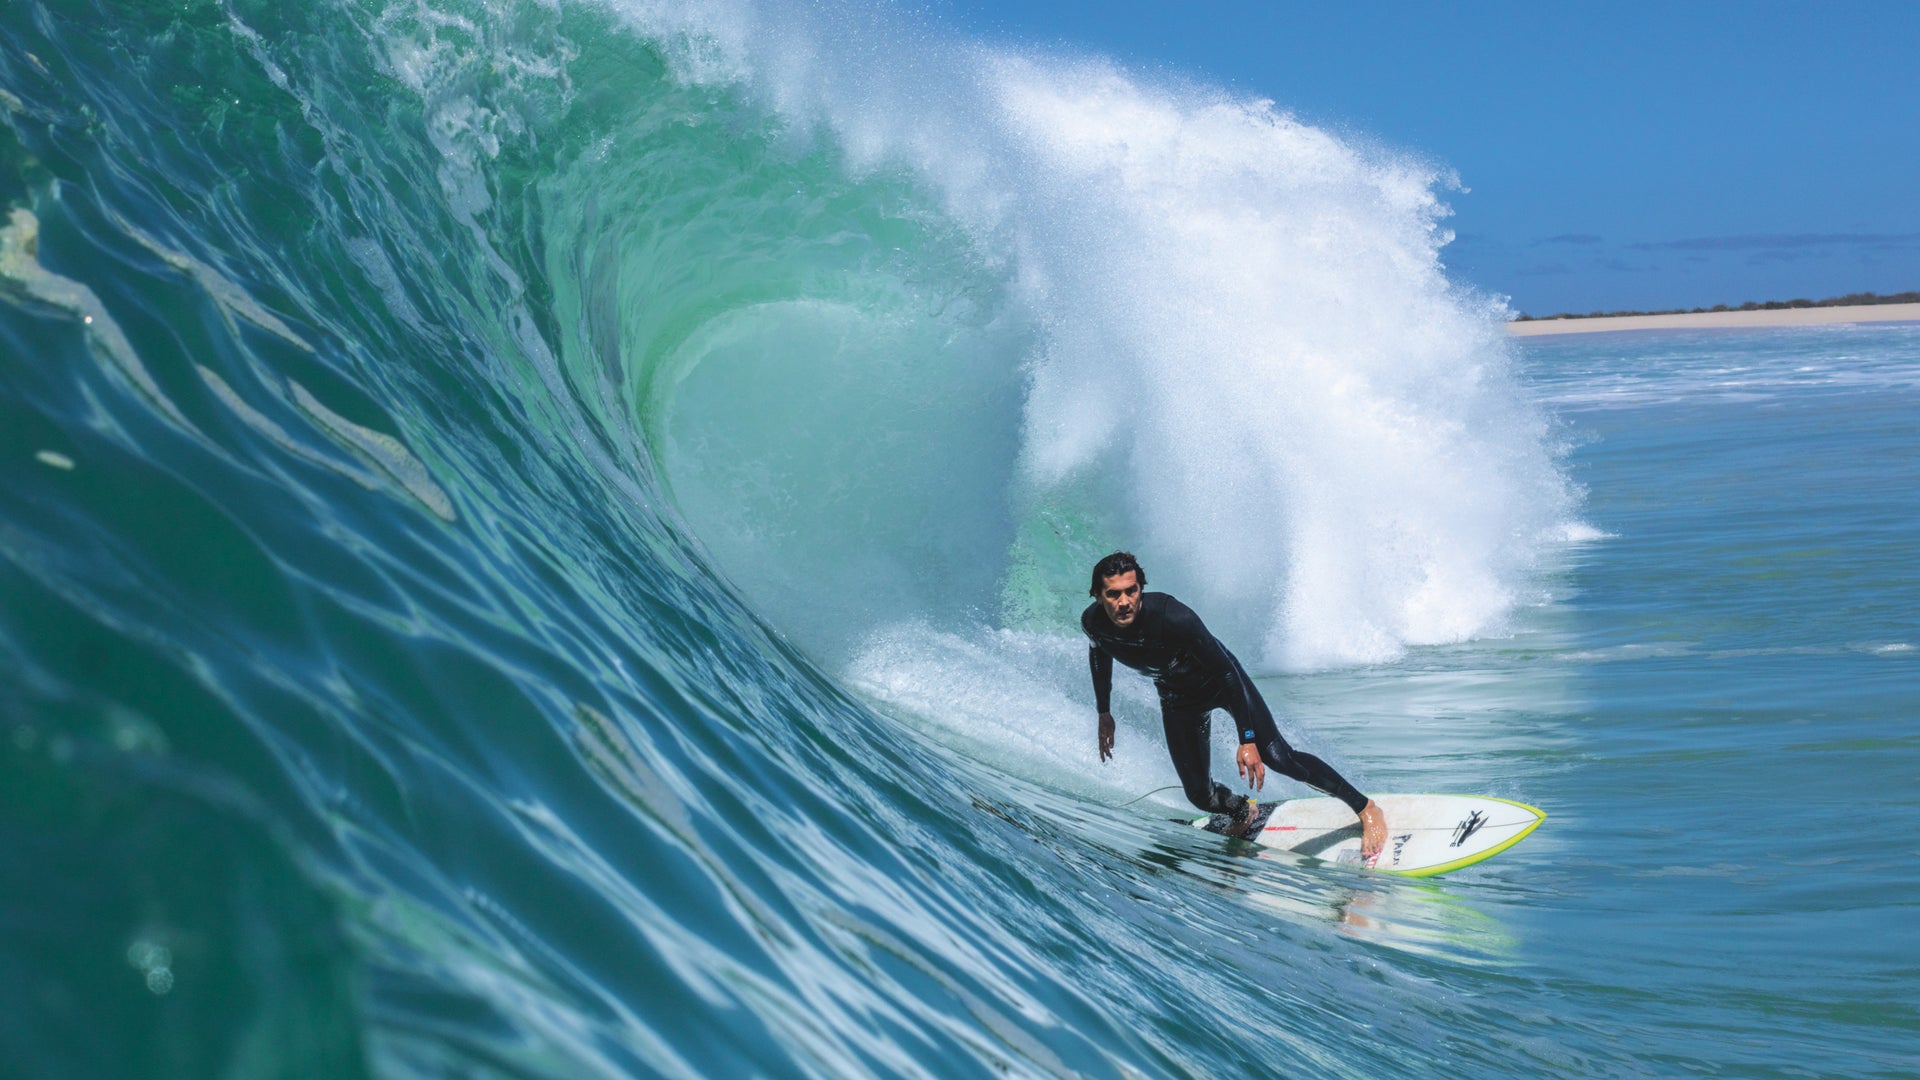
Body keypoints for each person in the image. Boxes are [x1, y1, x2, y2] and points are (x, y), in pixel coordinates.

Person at [1081, 551, 1387, 858]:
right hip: (1177, 698)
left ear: (1141, 588)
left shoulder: (1173, 617)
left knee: (1279, 757)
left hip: (1221, 684)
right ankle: (1241, 811)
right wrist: (1104, 712)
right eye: (1113, 594)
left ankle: (1365, 807)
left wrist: (1247, 739)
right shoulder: (1093, 623)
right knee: (1199, 795)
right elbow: (1100, 656)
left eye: (1131, 591)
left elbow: (1226, 672)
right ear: (1097, 595)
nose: (1124, 602)